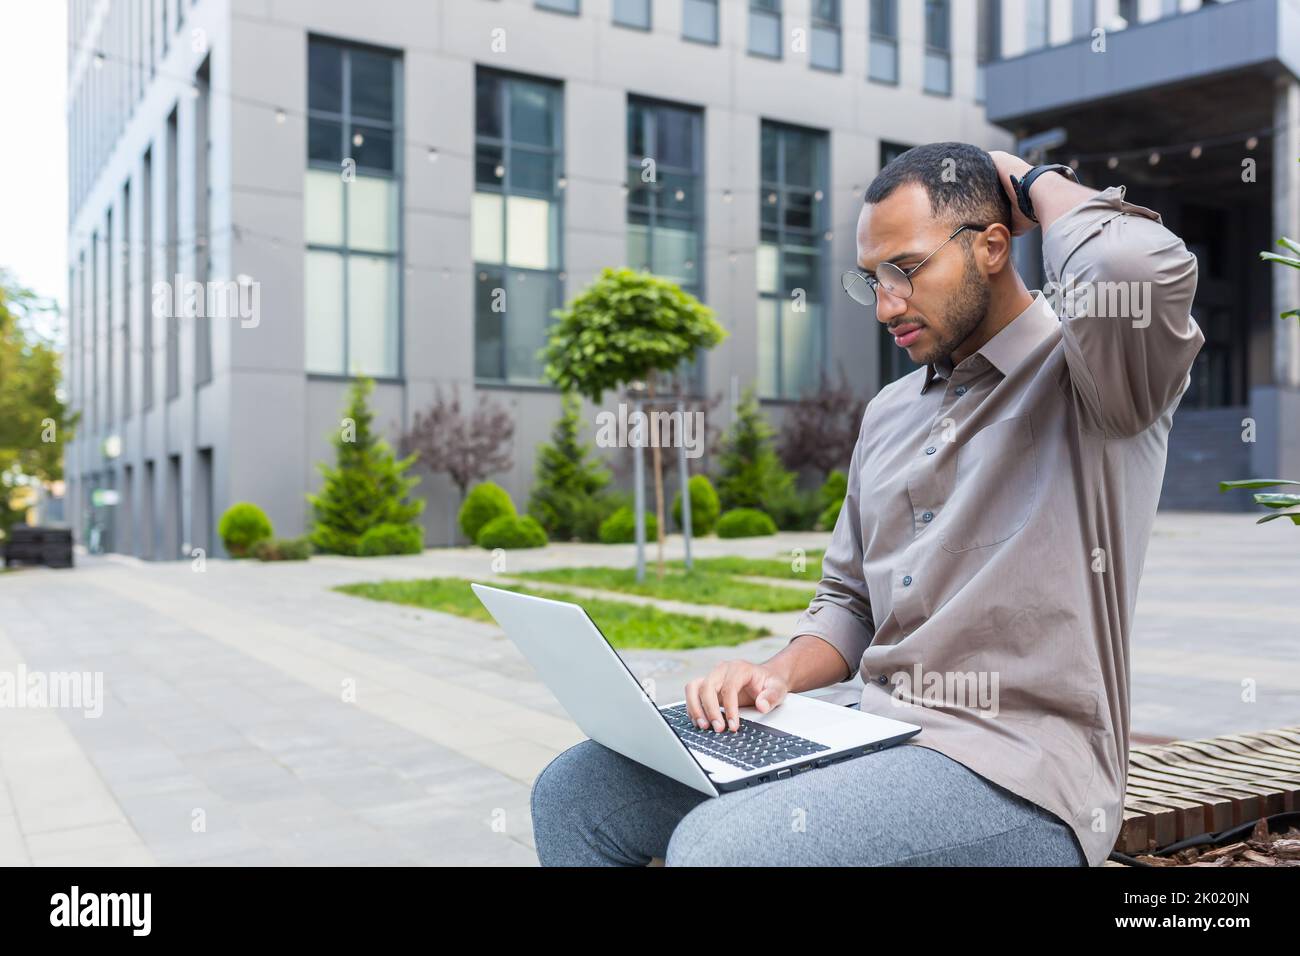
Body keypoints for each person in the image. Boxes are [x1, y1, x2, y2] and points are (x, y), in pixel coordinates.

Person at [530, 142, 1203, 867]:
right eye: (871, 280)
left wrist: (1027, 178)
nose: (886, 305)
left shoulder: (1098, 375)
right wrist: (775, 674)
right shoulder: (888, 412)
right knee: (576, 789)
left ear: (993, 246)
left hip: (1018, 770)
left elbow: (1135, 265)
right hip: (871, 730)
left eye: (905, 271)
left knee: (722, 852)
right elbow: (847, 602)